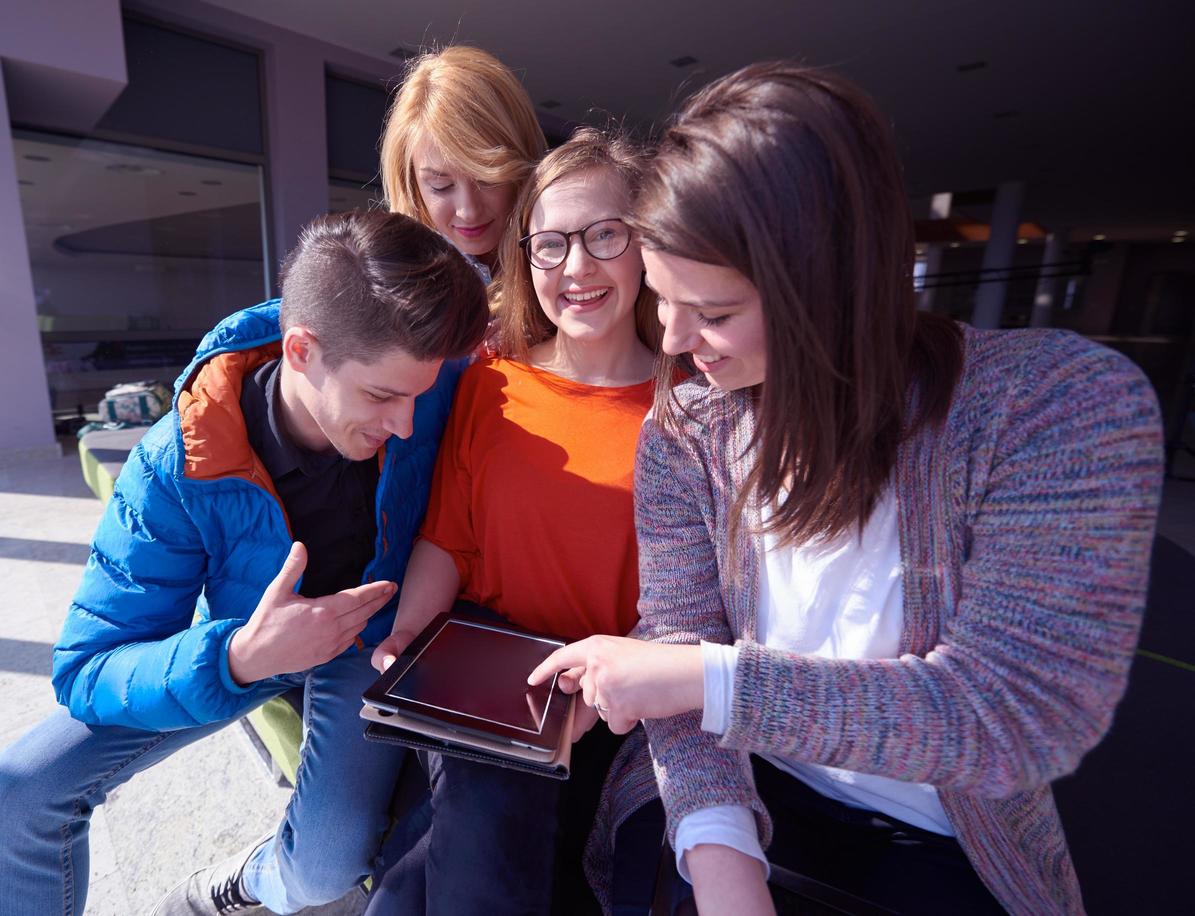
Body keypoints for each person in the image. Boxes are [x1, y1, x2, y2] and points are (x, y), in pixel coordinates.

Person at [530, 63, 1164, 915]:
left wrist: (707, 679)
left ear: (830, 288)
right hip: (728, 792)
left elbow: (1014, 716)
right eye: (661, 299)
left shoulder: (1052, 407)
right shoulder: (688, 428)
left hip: (944, 834)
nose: (676, 345)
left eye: (713, 312)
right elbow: (679, 644)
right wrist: (725, 867)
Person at [0, 210, 489, 916]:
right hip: (244, 643)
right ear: (300, 351)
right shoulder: (176, 461)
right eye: (381, 396)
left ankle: (246, 880)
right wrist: (239, 656)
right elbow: (87, 670)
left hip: (368, 648)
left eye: (417, 396)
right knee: (16, 790)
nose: (404, 421)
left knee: (321, 871)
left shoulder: (434, 377)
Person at [365, 128, 662, 916]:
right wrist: (409, 639)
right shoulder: (490, 380)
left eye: (604, 235)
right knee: (470, 853)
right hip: (490, 673)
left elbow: (703, 596)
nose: (576, 268)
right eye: (550, 244)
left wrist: (605, 697)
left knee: (431, 884)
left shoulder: (690, 403)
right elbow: (449, 536)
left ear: (645, 245)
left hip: (616, 697)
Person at [380, 44, 548, 279]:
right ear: (411, 183)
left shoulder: (567, 268)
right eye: (441, 185)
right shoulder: (391, 289)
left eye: (487, 179)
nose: (468, 211)